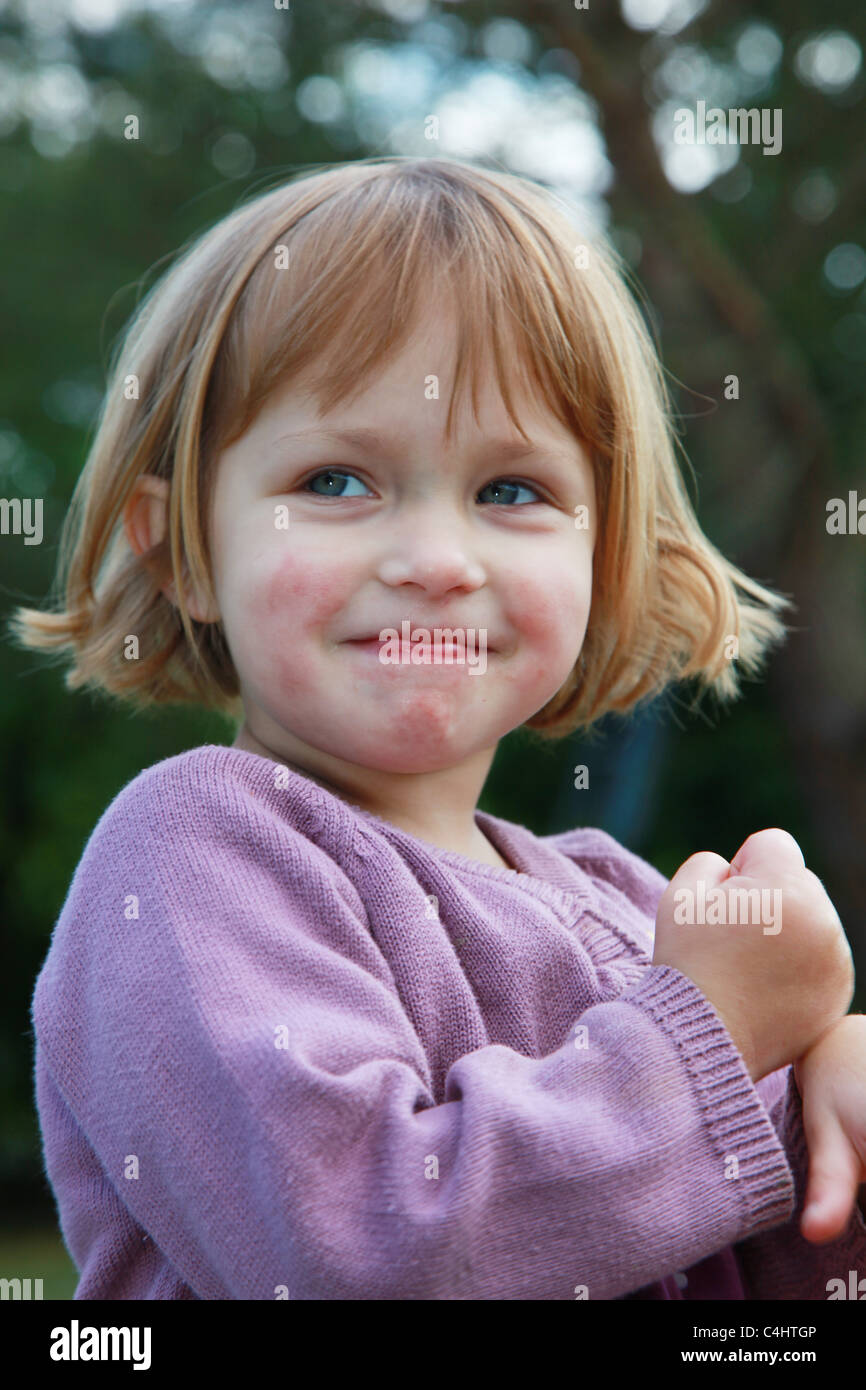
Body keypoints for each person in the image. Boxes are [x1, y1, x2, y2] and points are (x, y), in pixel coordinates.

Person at [13, 156, 865, 1300]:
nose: (433, 561)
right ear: (182, 552)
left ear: (602, 559)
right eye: (336, 478)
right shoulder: (191, 855)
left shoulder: (633, 903)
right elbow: (349, 1254)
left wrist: (835, 1145)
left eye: (510, 491)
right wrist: (705, 1035)